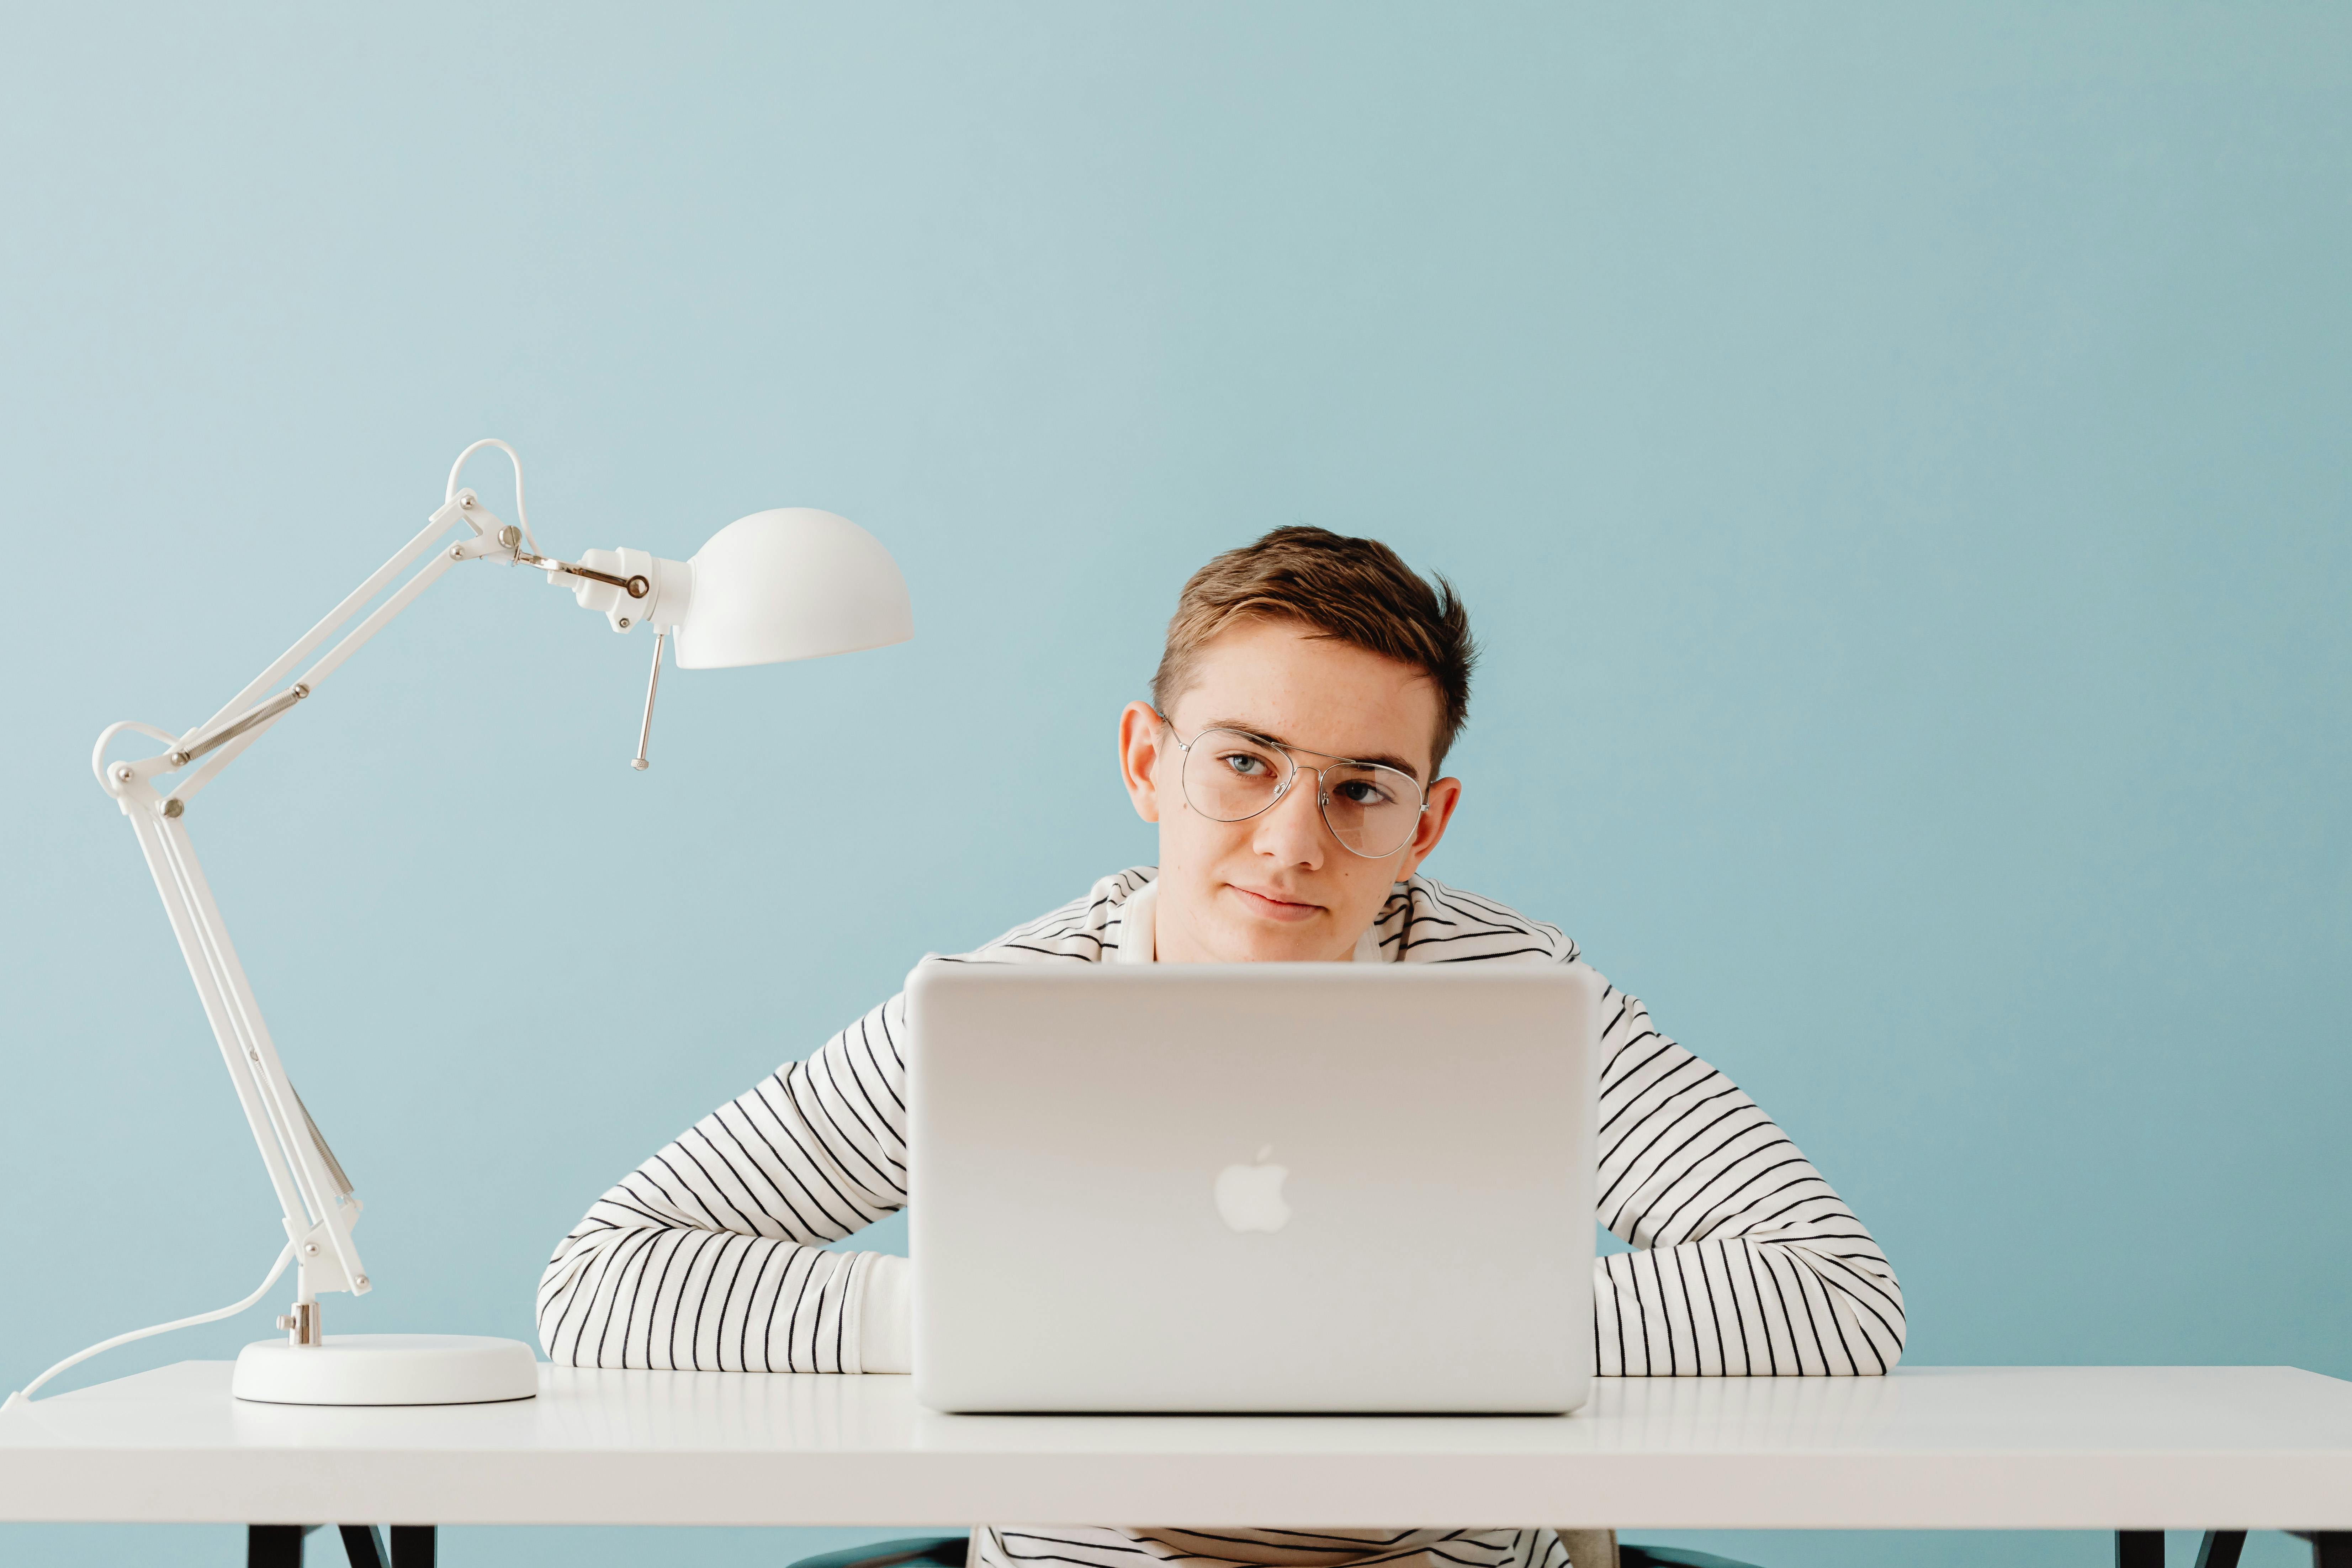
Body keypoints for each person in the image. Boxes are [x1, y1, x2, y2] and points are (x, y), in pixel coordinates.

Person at [537, 527, 1906, 1568]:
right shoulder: (1003, 1007)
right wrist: (1001, 1320)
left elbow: (1834, 1295)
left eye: (1361, 788)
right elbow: (605, 1279)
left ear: (1424, 825)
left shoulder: (1521, 994)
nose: (1293, 839)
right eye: (1243, 761)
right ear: (1147, 762)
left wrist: (1393, 1330)